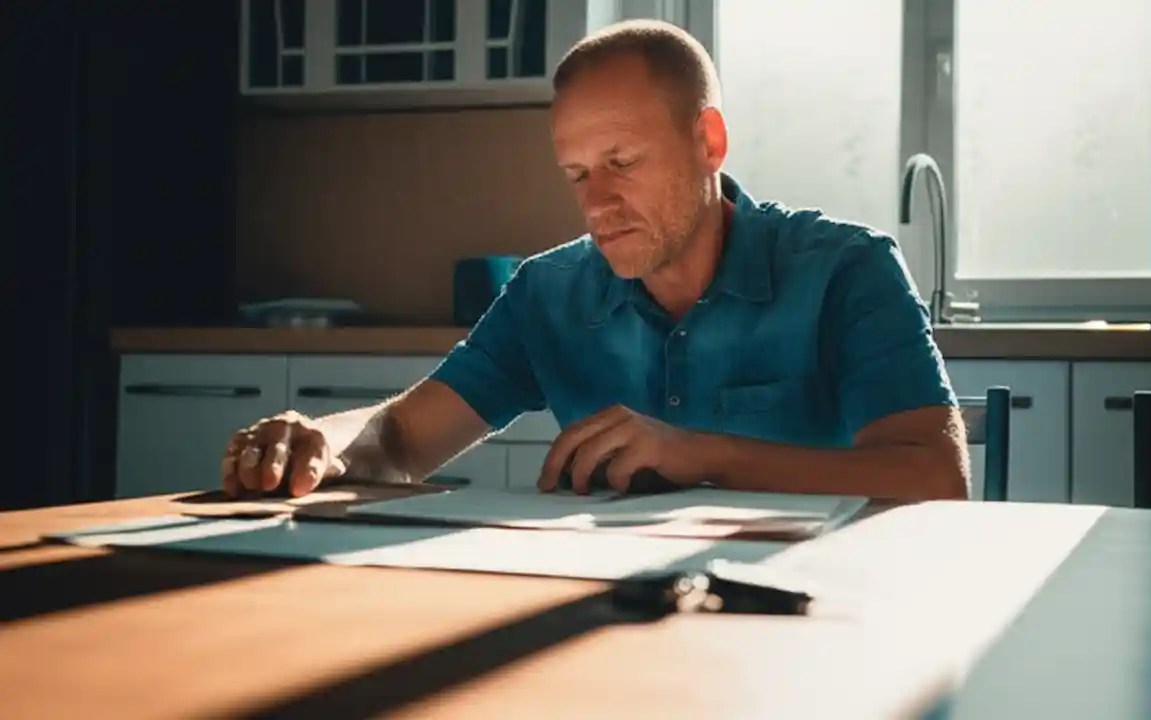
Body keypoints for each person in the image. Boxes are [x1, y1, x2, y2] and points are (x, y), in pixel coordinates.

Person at [221, 20, 969, 501]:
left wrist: (702, 454)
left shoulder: (846, 269)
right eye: (577, 174)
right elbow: (403, 438)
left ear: (708, 141)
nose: (598, 202)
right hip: (611, 619)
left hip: (817, 625)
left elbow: (935, 477)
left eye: (623, 160)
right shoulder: (549, 293)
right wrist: (321, 442)